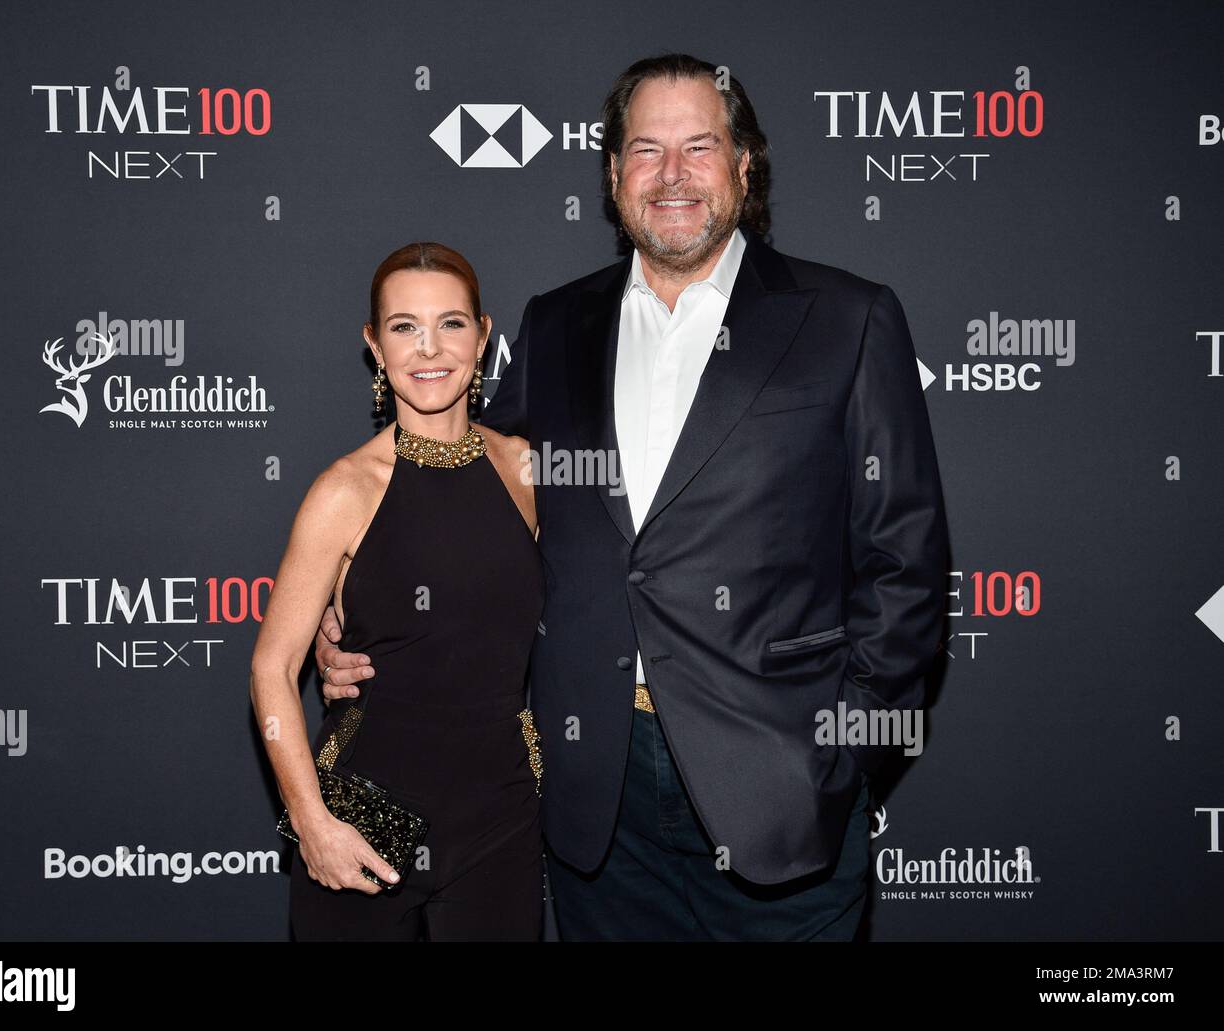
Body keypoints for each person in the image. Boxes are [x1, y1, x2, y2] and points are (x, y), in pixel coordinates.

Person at [314, 54, 951, 941]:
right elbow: (466, 499)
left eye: (699, 146)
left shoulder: (848, 318)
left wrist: (839, 761)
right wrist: (347, 602)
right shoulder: (557, 322)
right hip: (595, 805)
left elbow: (906, 567)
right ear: (613, 176)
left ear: (744, 166)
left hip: (780, 797)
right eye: (646, 150)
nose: (673, 174)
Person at [250, 241, 545, 941]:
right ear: (374, 345)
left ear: (483, 333)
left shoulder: (529, 468)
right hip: (364, 812)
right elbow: (270, 668)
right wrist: (312, 822)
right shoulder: (344, 490)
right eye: (404, 326)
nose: (429, 347)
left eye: (450, 323)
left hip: (500, 815)